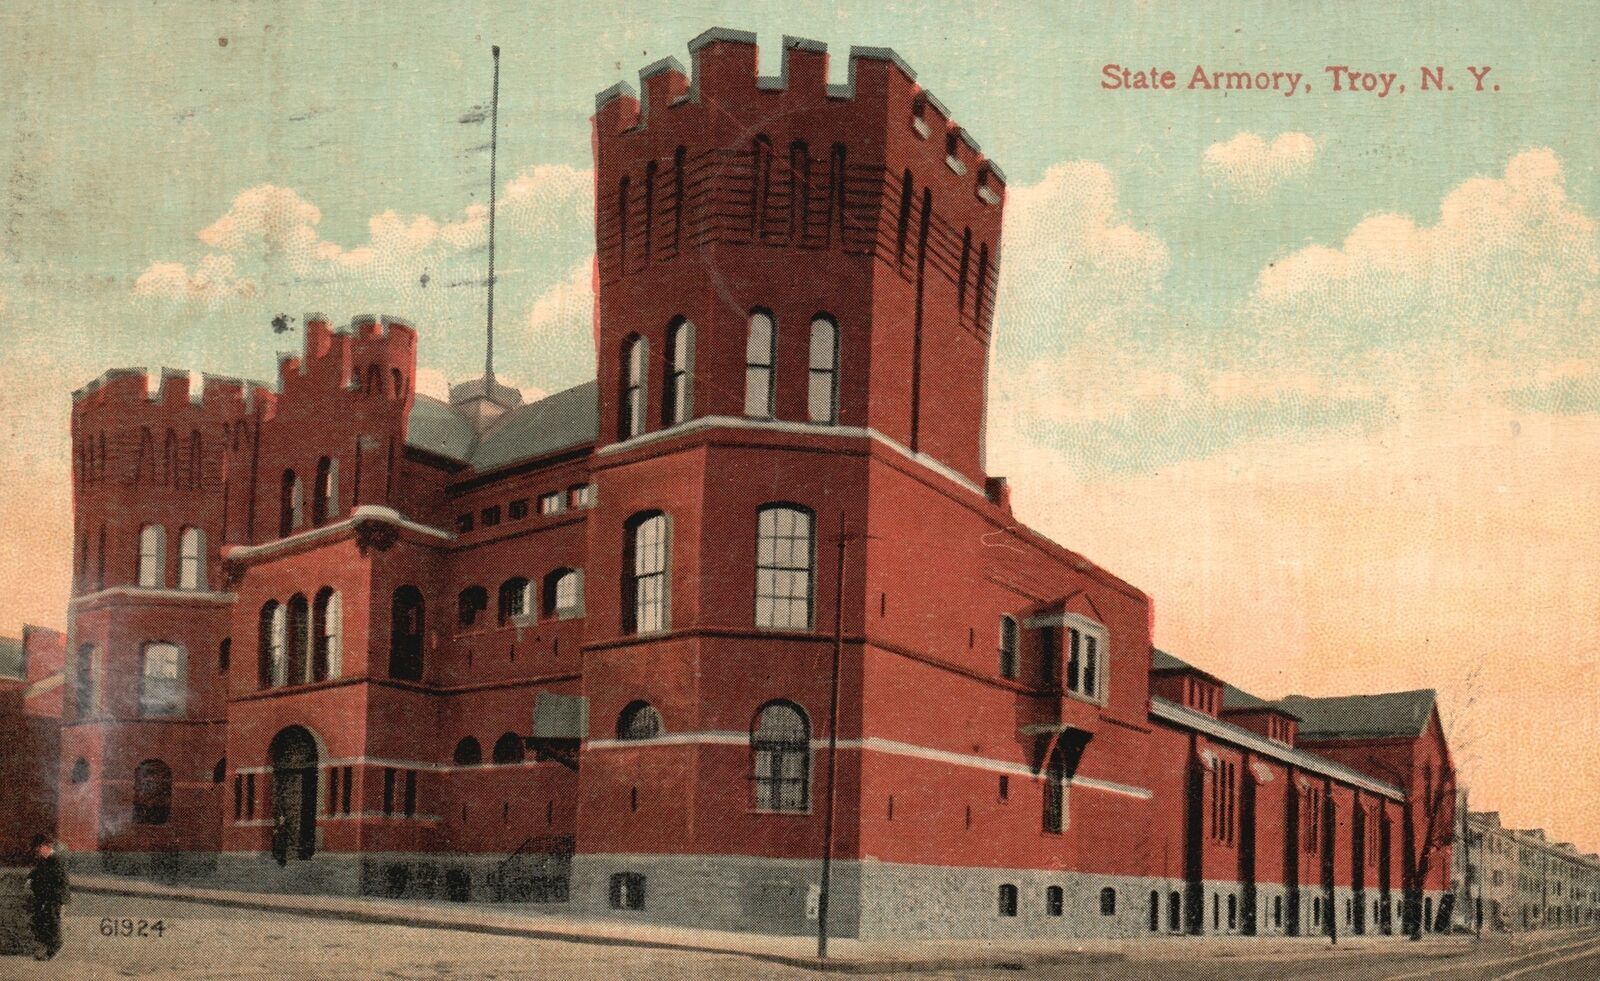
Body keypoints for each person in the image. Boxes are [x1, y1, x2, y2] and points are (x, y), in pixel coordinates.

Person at [25, 834, 68, 961]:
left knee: (52, 922)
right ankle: (48, 948)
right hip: (49, 896)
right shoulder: (47, 859)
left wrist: (37, 885)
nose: (37, 853)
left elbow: (54, 880)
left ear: (44, 847)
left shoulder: (56, 860)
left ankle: (53, 950)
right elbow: (38, 871)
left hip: (56, 897)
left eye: (38, 850)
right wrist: (30, 877)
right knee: (45, 920)